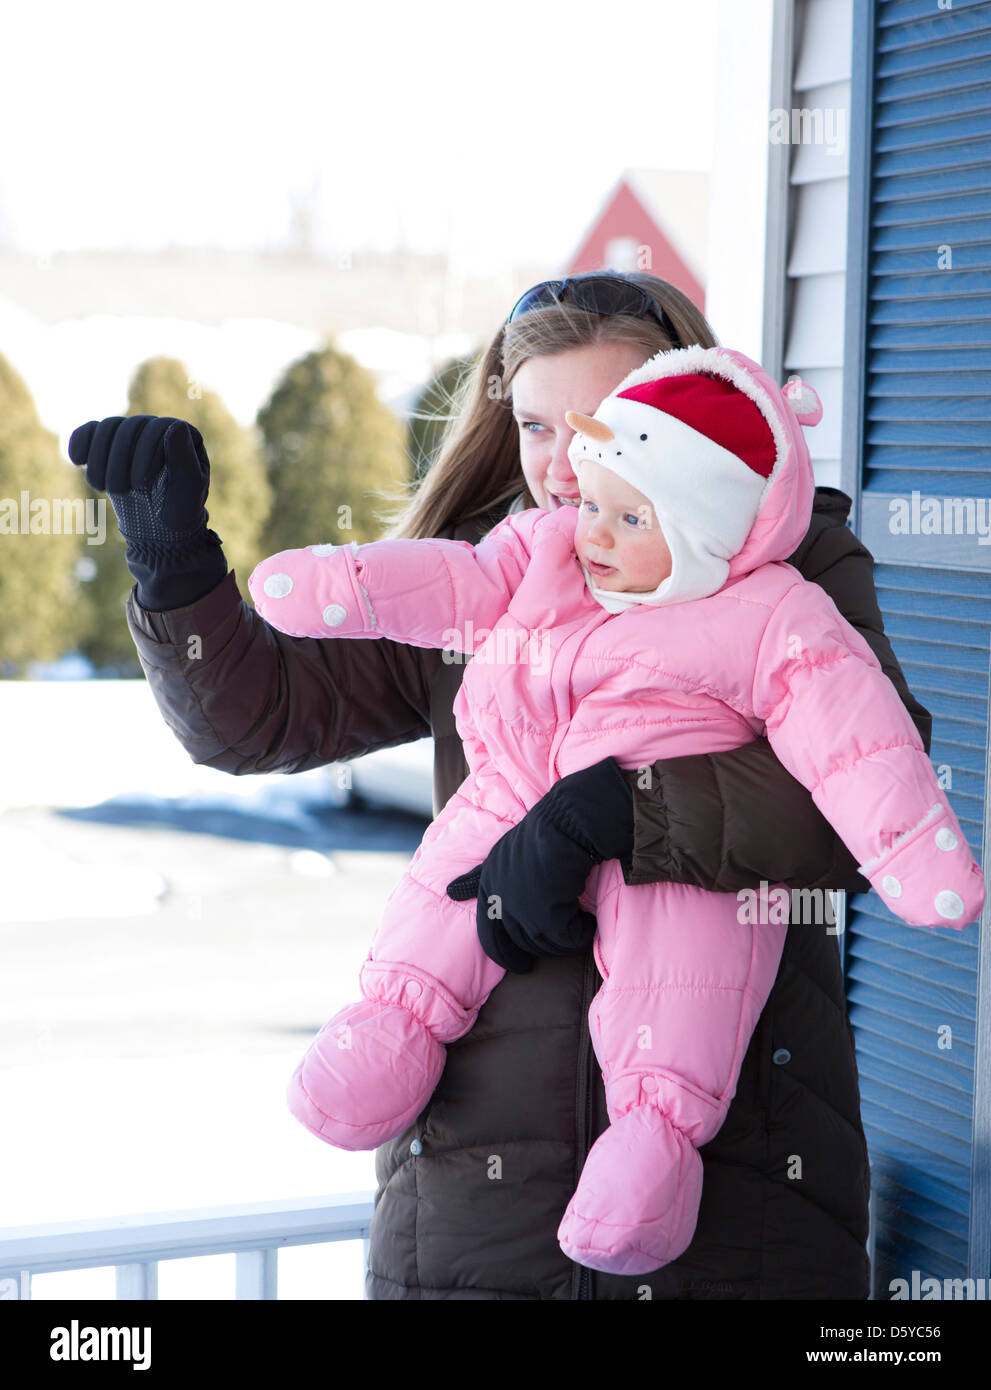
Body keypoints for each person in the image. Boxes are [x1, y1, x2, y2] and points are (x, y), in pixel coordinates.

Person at [69, 272, 935, 1300]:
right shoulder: (492, 577)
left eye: (597, 424)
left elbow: (864, 804)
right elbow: (260, 717)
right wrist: (173, 564)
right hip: (476, 1200)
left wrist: (623, 806)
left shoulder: (784, 564)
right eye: (534, 426)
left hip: (737, 1192)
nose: (566, 469)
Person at [246, 344, 983, 1277]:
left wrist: (920, 859)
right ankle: (392, 1025)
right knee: (442, 895)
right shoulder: (549, 546)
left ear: (707, 532)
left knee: (686, 979)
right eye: (589, 497)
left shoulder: (775, 609)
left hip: (672, 854)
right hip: (514, 788)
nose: (587, 526)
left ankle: (653, 1143)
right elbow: (451, 583)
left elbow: (857, 742)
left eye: (628, 516)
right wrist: (336, 584)